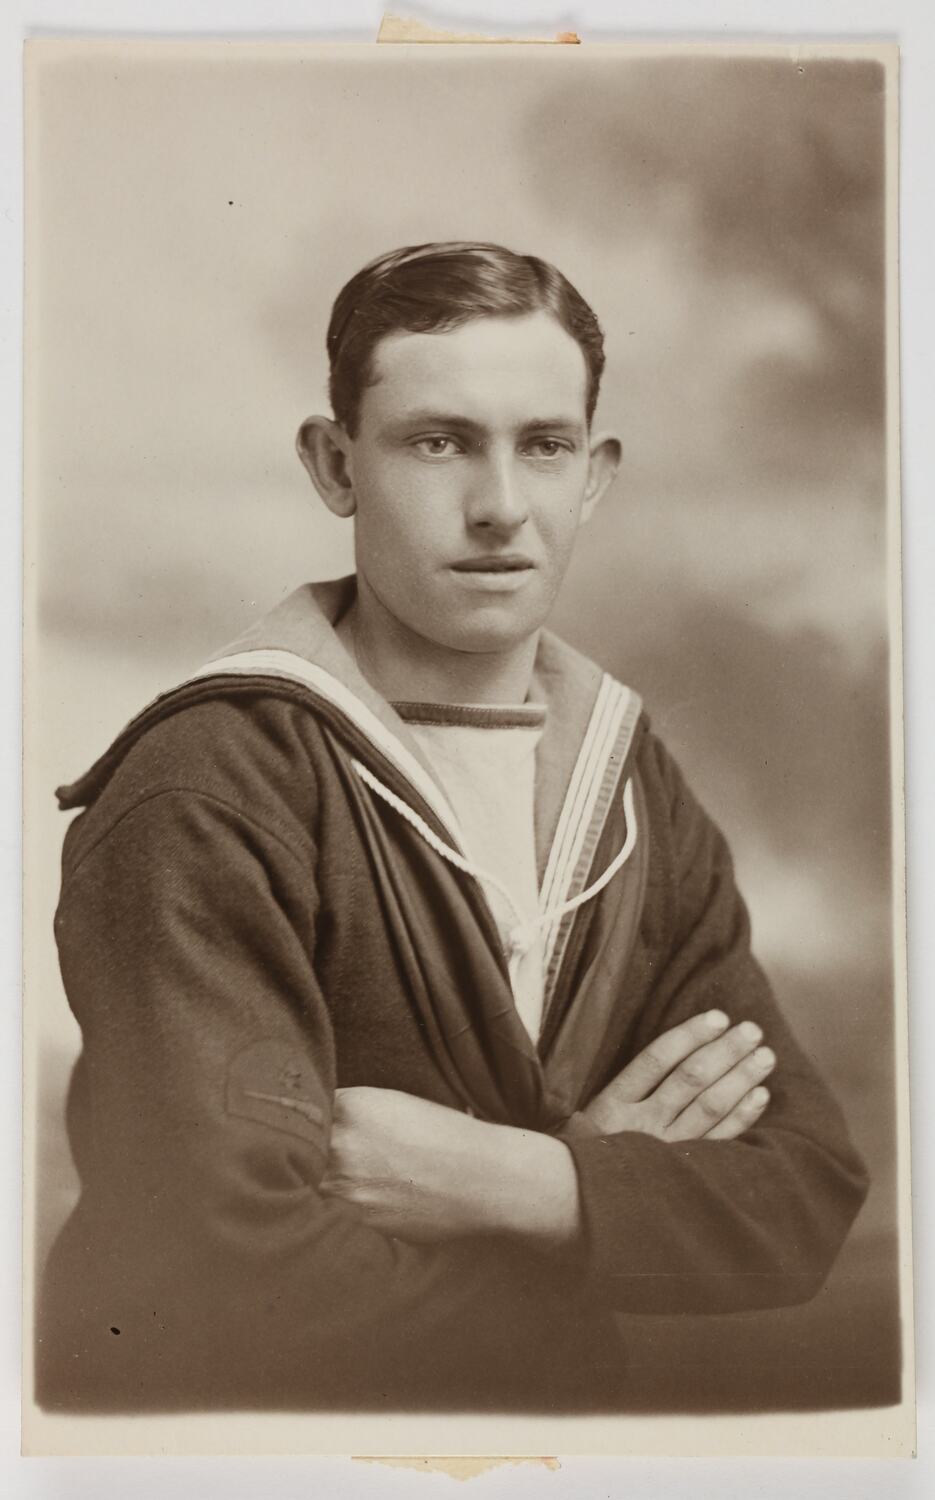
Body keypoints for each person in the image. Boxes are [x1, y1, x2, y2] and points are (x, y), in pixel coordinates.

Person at [37, 242, 868, 1414]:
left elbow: (799, 1199)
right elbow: (232, 1278)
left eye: (543, 445)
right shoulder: (210, 786)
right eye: (437, 442)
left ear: (595, 473)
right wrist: (610, 1206)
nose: (498, 507)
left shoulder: (626, 782)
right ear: (335, 465)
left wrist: (519, 1182)